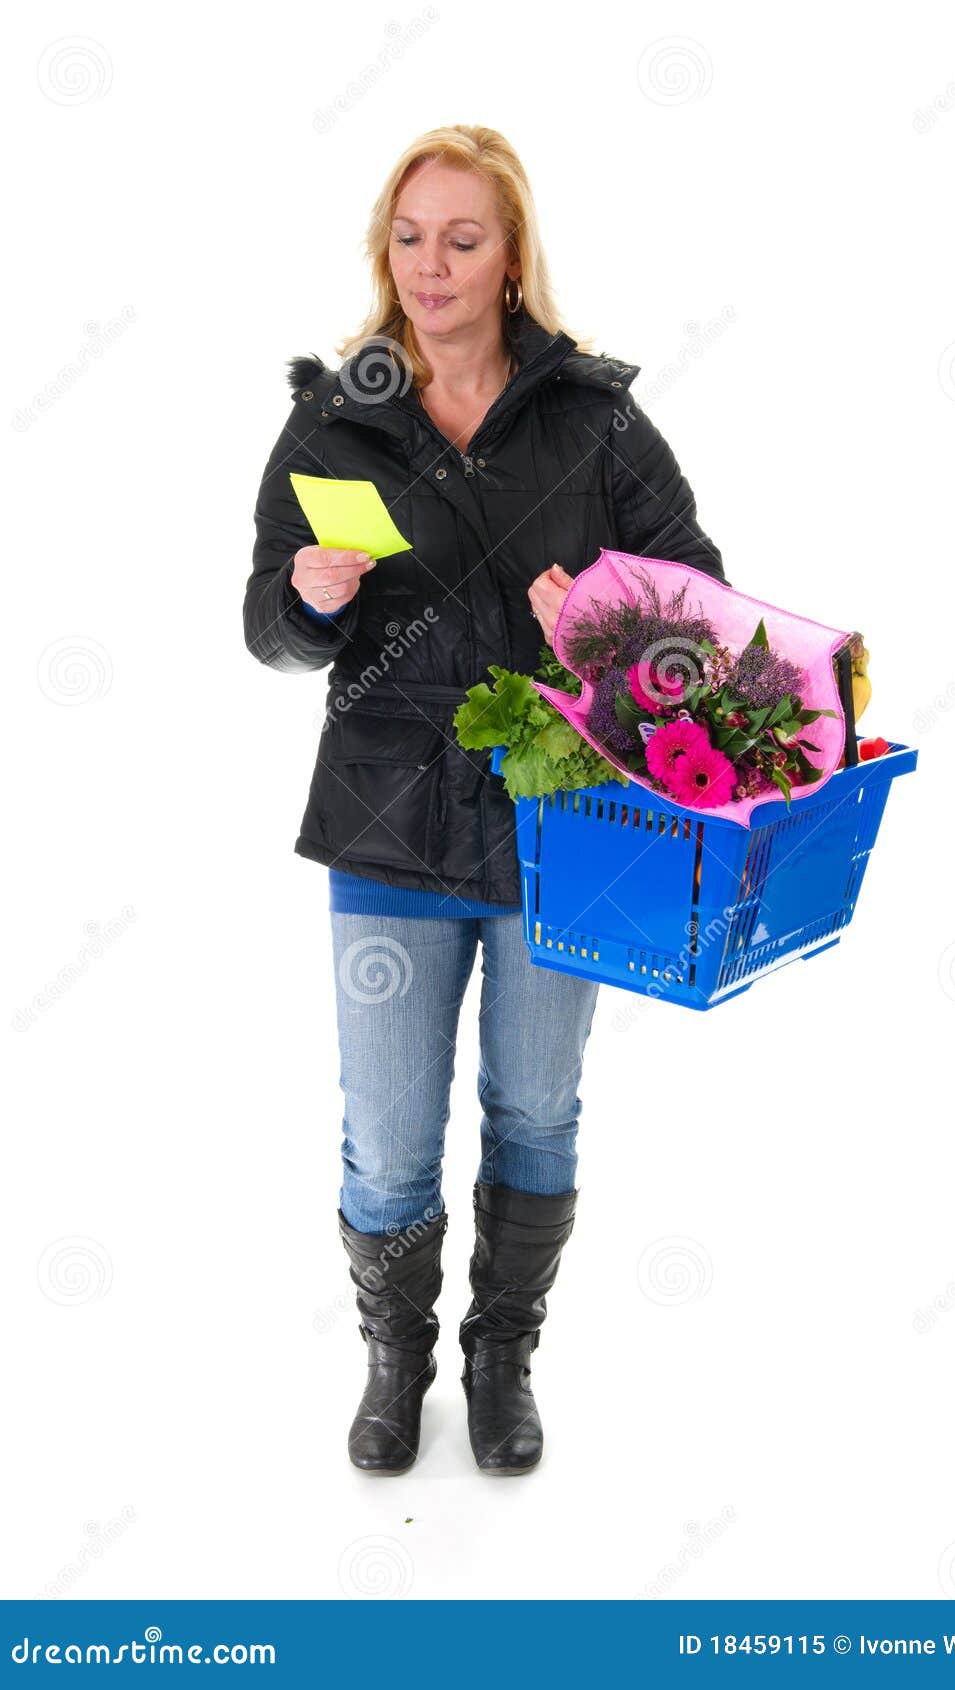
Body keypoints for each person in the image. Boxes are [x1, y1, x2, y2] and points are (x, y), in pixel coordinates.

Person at [243, 124, 726, 1477]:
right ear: (382, 252)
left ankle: (502, 1352)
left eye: (464, 238)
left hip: (558, 816)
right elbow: (266, 627)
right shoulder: (340, 411)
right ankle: (396, 1358)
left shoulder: (591, 415)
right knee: (387, 1131)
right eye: (410, 237)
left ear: (512, 257)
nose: (432, 265)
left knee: (537, 1108)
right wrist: (307, 600)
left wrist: (615, 625)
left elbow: (698, 595)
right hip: (387, 825)